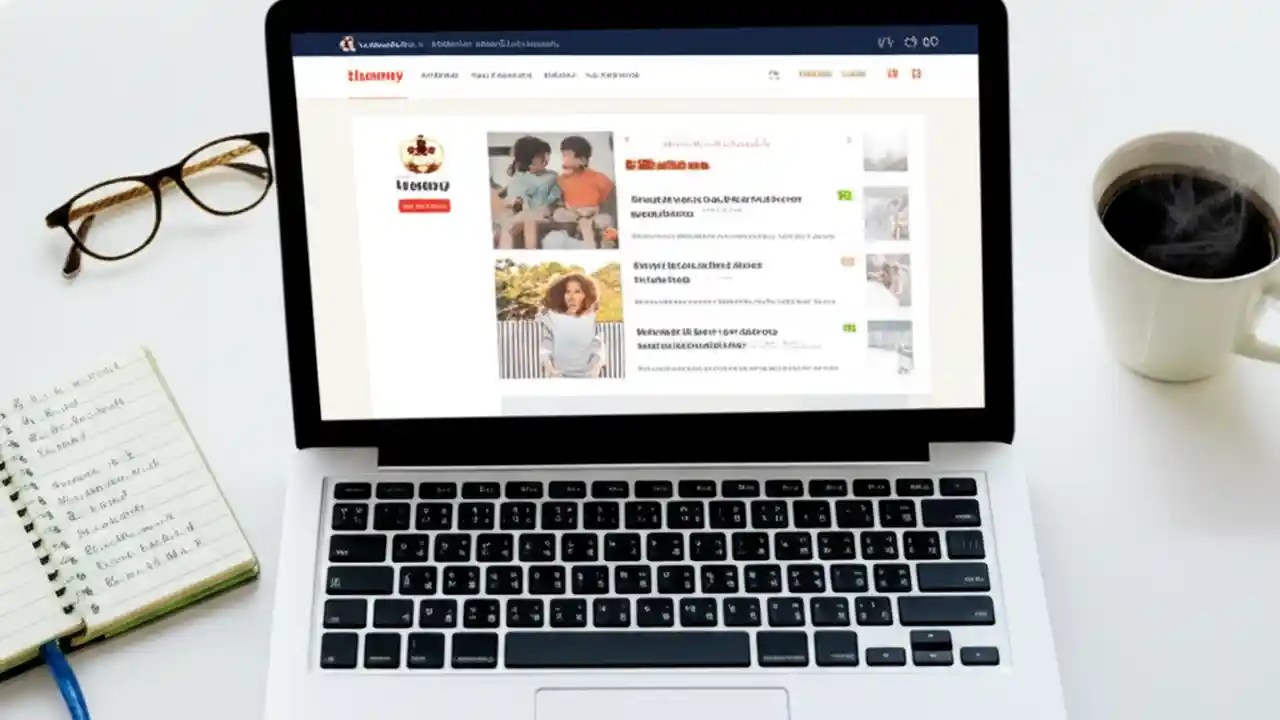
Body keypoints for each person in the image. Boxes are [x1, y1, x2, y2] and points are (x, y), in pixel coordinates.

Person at [537, 272, 606, 378]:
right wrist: (550, 368)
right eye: (567, 292)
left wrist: (595, 367)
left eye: (577, 292)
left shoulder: (592, 320)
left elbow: (598, 346)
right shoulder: (551, 319)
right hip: (558, 378)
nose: (571, 297)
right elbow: (546, 344)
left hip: (586, 379)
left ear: (586, 295)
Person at [497, 136, 560, 249]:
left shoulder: (550, 176)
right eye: (542, 160)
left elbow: (554, 197)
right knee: (511, 220)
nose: (545, 163)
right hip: (526, 213)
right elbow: (516, 203)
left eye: (546, 161)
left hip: (543, 213)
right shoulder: (520, 180)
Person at [554, 135, 615, 248]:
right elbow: (558, 203)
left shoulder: (599, 178)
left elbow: (609, 204)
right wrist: (576, 212)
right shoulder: (561, 180)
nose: (564, 160)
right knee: (559, 214)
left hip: (595, 215)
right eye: (563, 156)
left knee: (606, 220)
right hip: (572, 214)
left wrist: (594, 211)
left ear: (583, 159)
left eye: (568, 156)